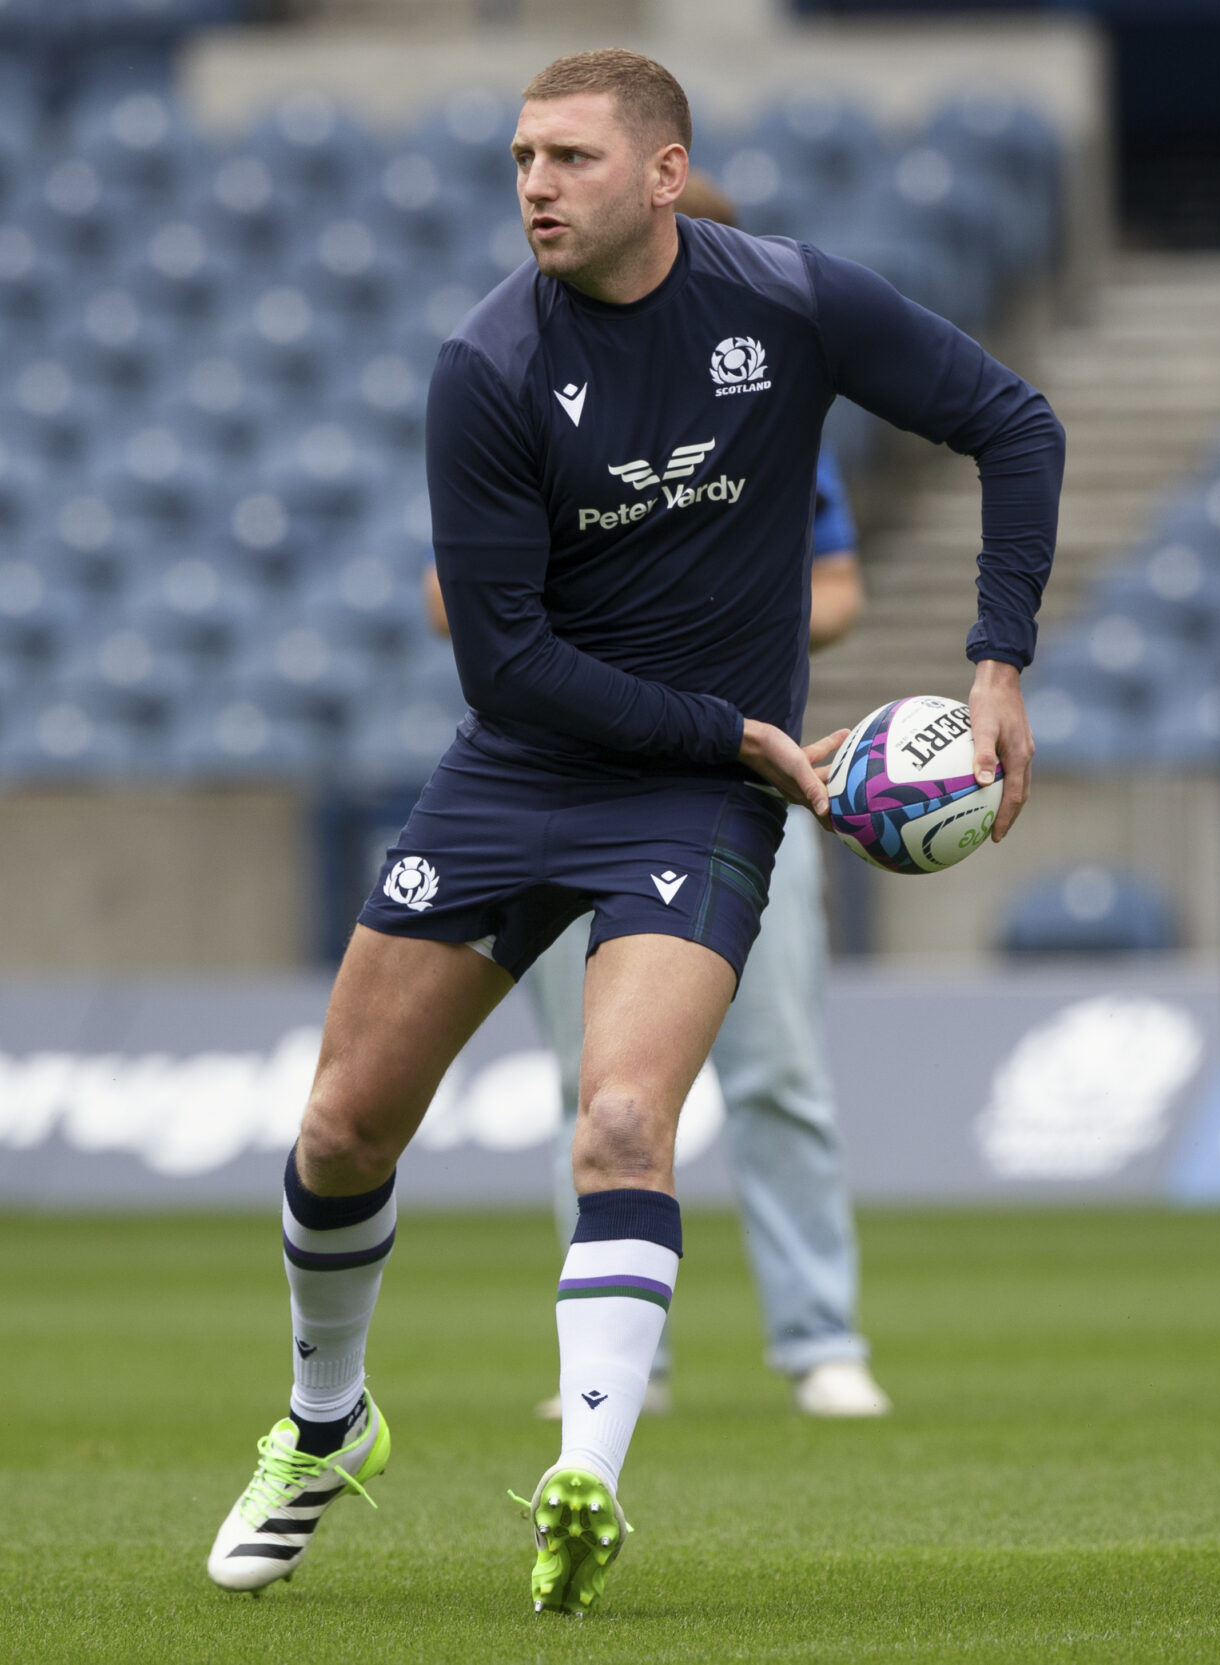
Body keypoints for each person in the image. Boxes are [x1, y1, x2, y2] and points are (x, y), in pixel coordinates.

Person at [206, 48, 1062, 1616]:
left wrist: (995, 661)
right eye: (523, 157)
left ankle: (585, 1476)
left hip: (694, 795)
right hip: (525, 768)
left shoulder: (790, 303)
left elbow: (1014, 423)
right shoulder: (486, 368)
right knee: (340, 1128)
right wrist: (728, 727)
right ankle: (328, 1421)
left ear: (665, 175)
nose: (535, 184)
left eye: (573, 158)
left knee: (620, 1124)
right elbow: (500, 658)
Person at [421, 172, 887, 1423]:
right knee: (597, 1087)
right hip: (567, 785)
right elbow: (453, 599)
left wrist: (723, 623)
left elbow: (836, 586)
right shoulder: (526, 393)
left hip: (740, 779)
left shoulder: (778, 416)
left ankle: (820, 1341)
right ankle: (627, 1371)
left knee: (778, 1068)